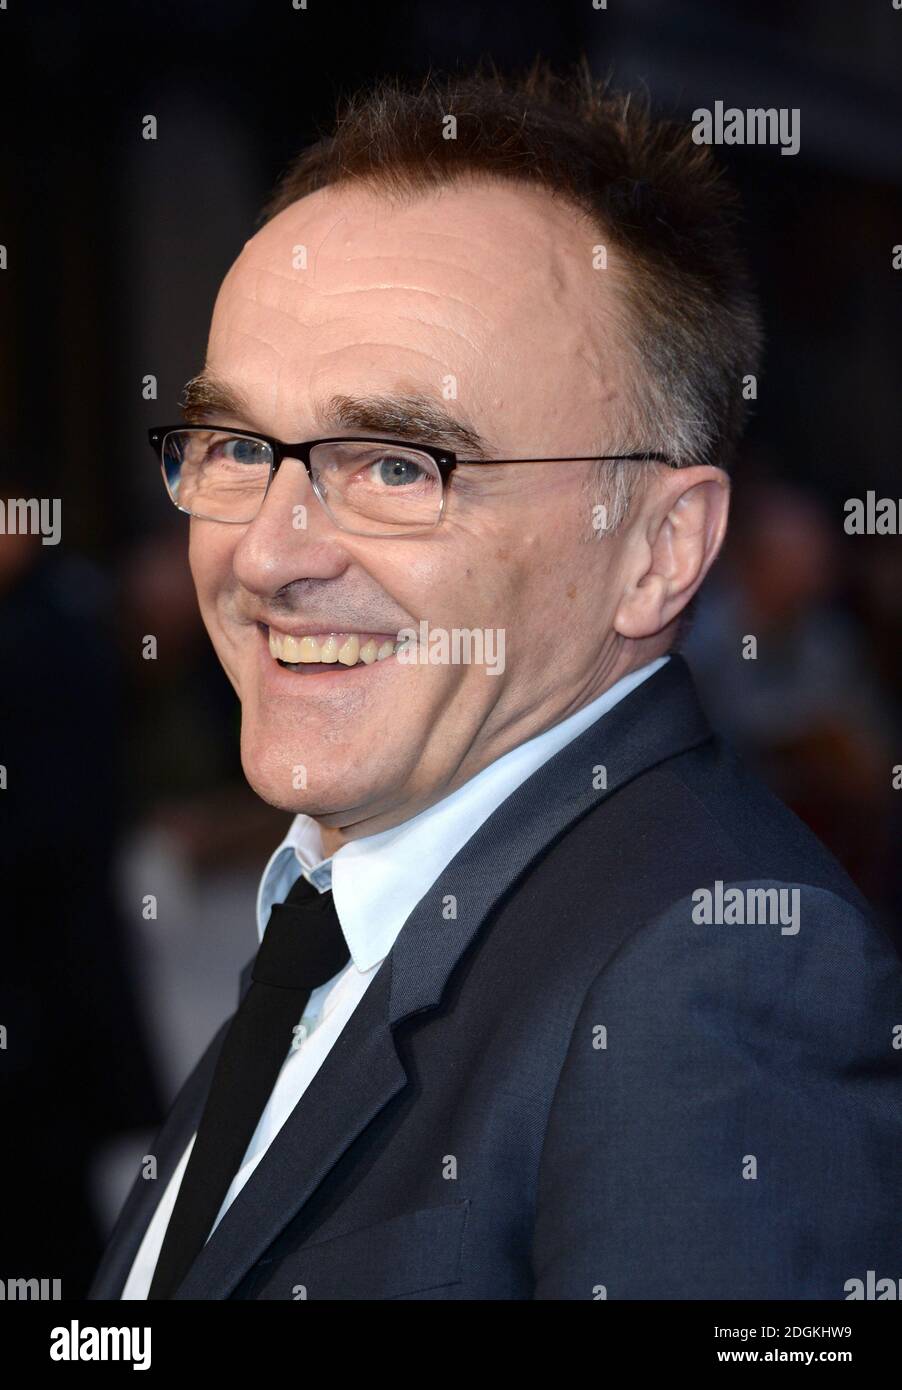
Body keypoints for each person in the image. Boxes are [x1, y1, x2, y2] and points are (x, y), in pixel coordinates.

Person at [89, 60, 902, 1301]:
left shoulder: (713, 988)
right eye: (239, 446)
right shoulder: (339, 902)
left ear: (656, 549)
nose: (268, 552)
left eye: (400, 466)